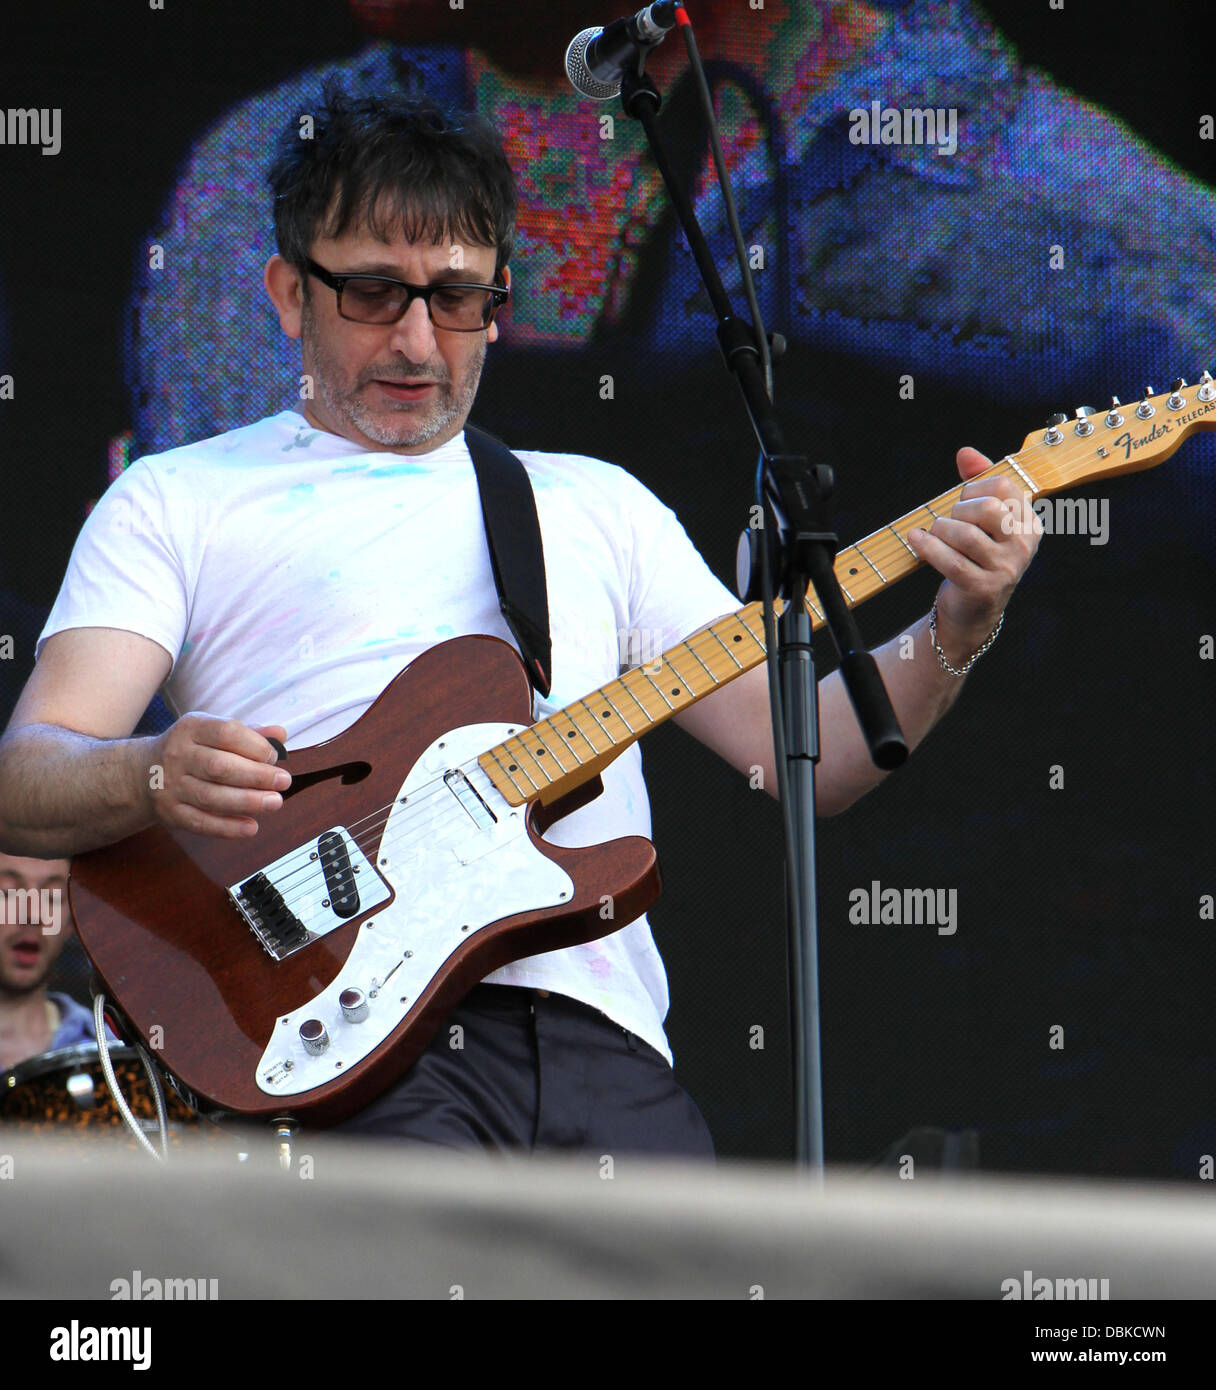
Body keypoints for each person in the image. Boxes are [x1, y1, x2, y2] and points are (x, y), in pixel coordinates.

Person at [0, 87, 1039, 1157]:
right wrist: (149, 774)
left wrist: (958, 623)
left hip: (605, 1041)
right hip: (339, 1037)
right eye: (372, 293)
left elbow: (806, 759)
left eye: (456, 299)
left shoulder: (593, 503)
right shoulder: (180, 497)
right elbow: (27, 776)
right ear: (285, 294)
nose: (416, 338)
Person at [0, 850, 104, 1070]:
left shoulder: (109, 1059)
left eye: (51, 897)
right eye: (8, 892)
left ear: (72, 921)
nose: (33, 914)